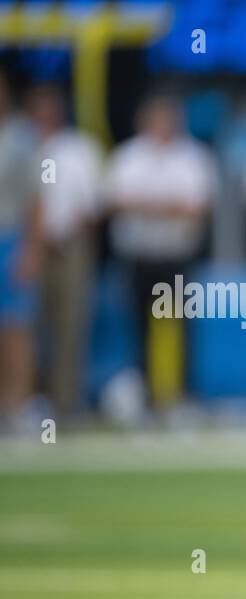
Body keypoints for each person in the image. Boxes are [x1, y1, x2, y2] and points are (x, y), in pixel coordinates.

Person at [103, 93, 217, 412]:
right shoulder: (128, 156)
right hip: (138, 256)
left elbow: (195, 208)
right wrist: (167, 205)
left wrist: (145, 205)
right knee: (137, 328)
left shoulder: (192, 156)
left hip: (175, 256)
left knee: (181, 327)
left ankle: (181, 397)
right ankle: (144, 396)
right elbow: (115, 203)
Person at [28, 84, 102, 418]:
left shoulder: (79, 149)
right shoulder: (19, 145)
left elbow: (93, 204)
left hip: (70, 246)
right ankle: (26, 402)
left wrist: (64, 234)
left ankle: (65, 402)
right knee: (23, 328)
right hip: (26, 248)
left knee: (70, 326)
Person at [0, 74, 39, 430]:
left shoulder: (19, 138)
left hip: (9, 237)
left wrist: (30, 247)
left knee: (15, 327)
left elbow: (34, 200)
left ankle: (19, 404)